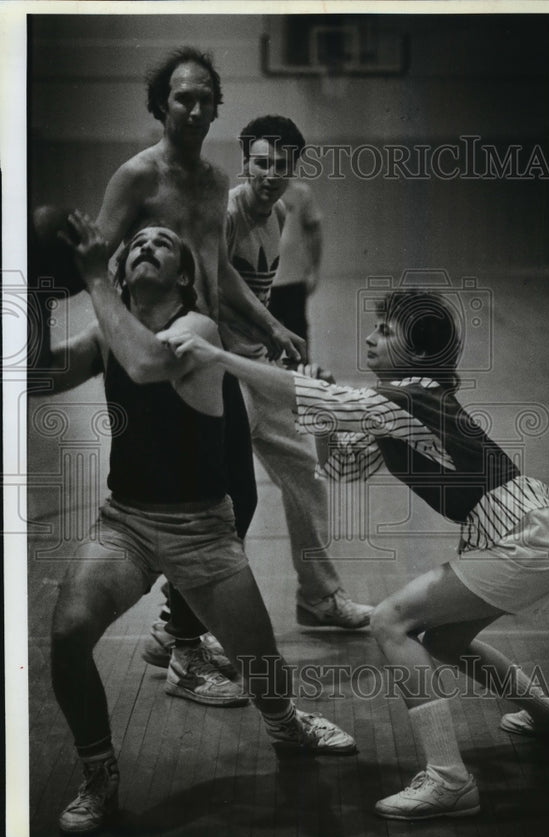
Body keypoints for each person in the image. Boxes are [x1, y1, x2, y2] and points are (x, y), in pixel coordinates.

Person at [158, 285, 549, 822]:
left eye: (385, 331)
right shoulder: (404, 402)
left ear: (420, 350)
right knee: (446, 640)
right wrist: (323, 408)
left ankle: (451, 780)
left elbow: (341, 407)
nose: (369, 337)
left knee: (390, 622)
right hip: (529, 536)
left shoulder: (412, 397)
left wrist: (222, 358)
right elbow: (341, 467)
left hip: (521, 541)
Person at [46, 214, 356, 837]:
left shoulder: (197, 327)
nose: (147, 247)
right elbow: (36, 377)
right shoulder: (109, 331)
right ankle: (100, 774)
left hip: (202, 530)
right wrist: (34, 293)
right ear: (123, 270)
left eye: (162, 243)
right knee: (67, 636)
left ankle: (285, 723)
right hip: (126, 523)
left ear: (185, 276)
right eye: (137, 243)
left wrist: (91, 277)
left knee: (264, 673)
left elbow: (147, 365)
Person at [94, 47, 307, 705]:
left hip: (208, 363)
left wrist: (271, 327)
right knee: (179, 509)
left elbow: (217, 275)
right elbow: (98, 264)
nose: (192, 107)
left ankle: (176, 631)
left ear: (216, 107)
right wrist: (130, 340)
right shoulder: (136, 177)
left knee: (233, 500)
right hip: (155, 368)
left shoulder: (216, 182)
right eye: (181, 97)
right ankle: (183, 650)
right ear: (163, 105)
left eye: (203, 98)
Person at [218, 114, 373, 628]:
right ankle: (183, 624)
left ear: (293, 170)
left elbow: (255, 297)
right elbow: (217, 286)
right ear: (246, 164)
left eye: (281, 165)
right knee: (226, 498)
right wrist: (273, 330)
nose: (270, 173)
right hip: (219, 373)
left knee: (305, 477)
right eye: (261, 163)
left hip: (257, 369)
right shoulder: (228, 211)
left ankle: (318, 598)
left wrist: (283, 356)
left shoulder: (280, 213)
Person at [268, 179, 323, 353]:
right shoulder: (258, 191)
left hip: (294, 279)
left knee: (298, 338)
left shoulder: (301, 193)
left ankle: (302, 377)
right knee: (266, 341)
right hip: (265, 282)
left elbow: (315, 232)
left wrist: (314, 270)